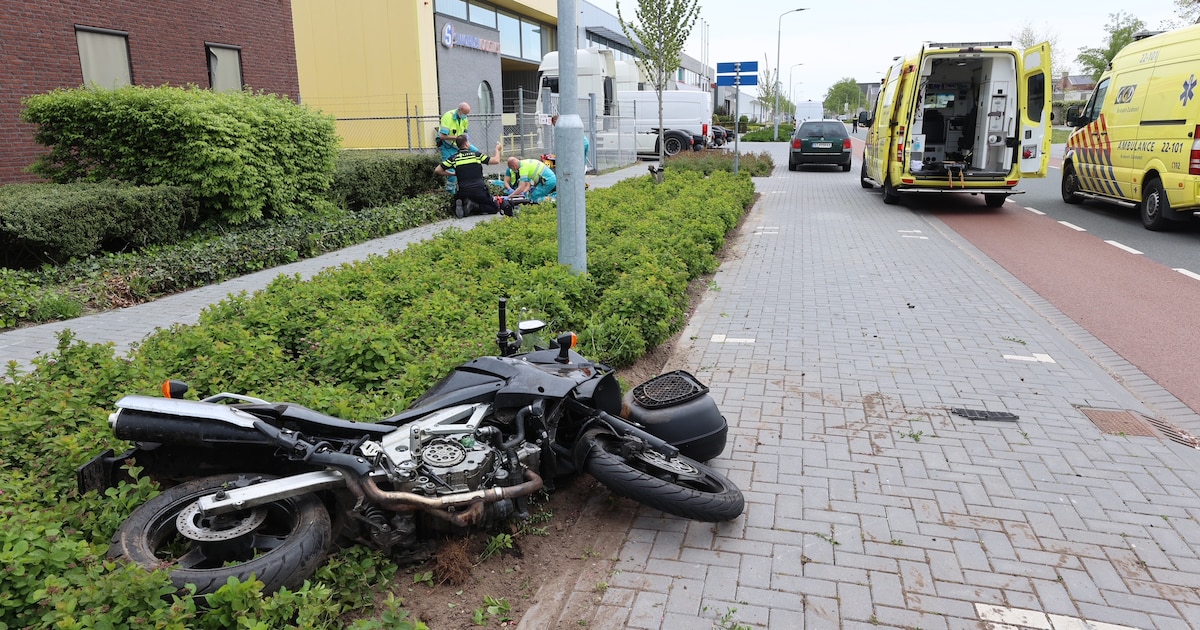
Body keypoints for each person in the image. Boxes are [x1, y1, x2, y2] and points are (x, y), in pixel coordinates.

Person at [434, 136, 505, 218]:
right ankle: (475, 206)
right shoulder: (477, 155)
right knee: (494, 208)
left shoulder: (454, 158)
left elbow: (437, 170)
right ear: (467, 144)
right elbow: (496, 161)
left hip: (463, 191)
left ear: (457, 145)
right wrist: (498, 149)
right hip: (479, 190)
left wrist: (453, 174)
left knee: (463, 197)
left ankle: (463, 202)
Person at [437, 102, 477, 193]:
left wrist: (466, 141)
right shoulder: (448, 117)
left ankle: (469, 176)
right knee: (450, 168)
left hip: (459, 143)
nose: (465, 116)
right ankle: (450, 191)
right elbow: (442, 136)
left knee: (475, 152)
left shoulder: (464, 118)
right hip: (447, 145)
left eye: (467, 114)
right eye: (464, 114)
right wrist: (459, 138)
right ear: (459, 110)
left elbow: (465, 133)